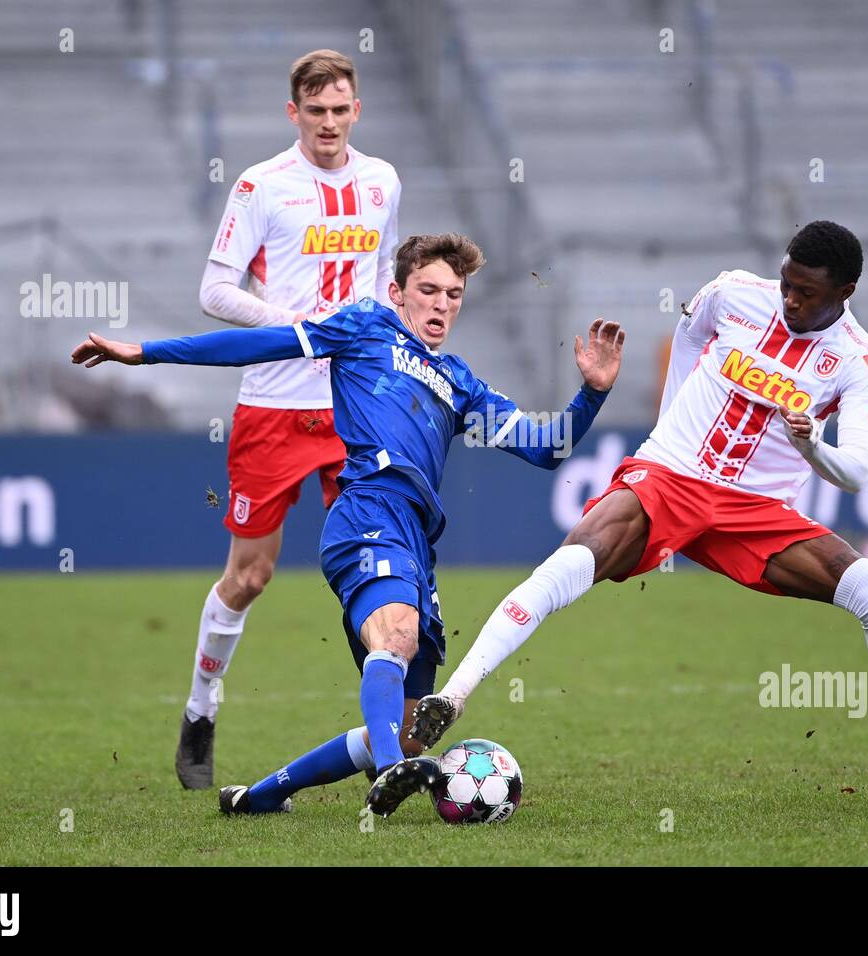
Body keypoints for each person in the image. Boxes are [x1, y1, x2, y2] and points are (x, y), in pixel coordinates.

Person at [409, 221, 868, 817]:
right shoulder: (733, 293)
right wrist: (670, 424)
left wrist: (813, 446)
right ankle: (455, 695)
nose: (789, 299)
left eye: (806, 293)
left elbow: (857, 471)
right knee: (574, 557)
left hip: (755, 509)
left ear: (845, 292)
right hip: (672, 476)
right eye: (786, 283)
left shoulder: (859, 361)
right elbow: (689, 331)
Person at [70, 233, 626, 815]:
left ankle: (261, 797)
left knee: (410, 731)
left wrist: (590, 394)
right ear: (397, 292)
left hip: (415, 539)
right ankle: (388, 771)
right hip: (366, 511)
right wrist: (146, 352)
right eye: (428, 290)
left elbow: (546, 448)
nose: (441, 304)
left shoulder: (461, 382)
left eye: (454, 294)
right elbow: (259, 344)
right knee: (396, 638)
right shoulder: (364, 327)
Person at [176, 49, 400, 790]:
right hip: (274, 405)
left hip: (354, 405)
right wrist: (299, 327)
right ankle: (202, 708)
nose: (329, 123)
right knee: (251, 575)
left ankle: (390, 732)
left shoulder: (382, 181)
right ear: (294, 112)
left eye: (340, 110)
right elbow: (215, 290)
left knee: (372, 565)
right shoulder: (261, 185)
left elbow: (383, 276)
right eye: (316, 111)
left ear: (356, 110)